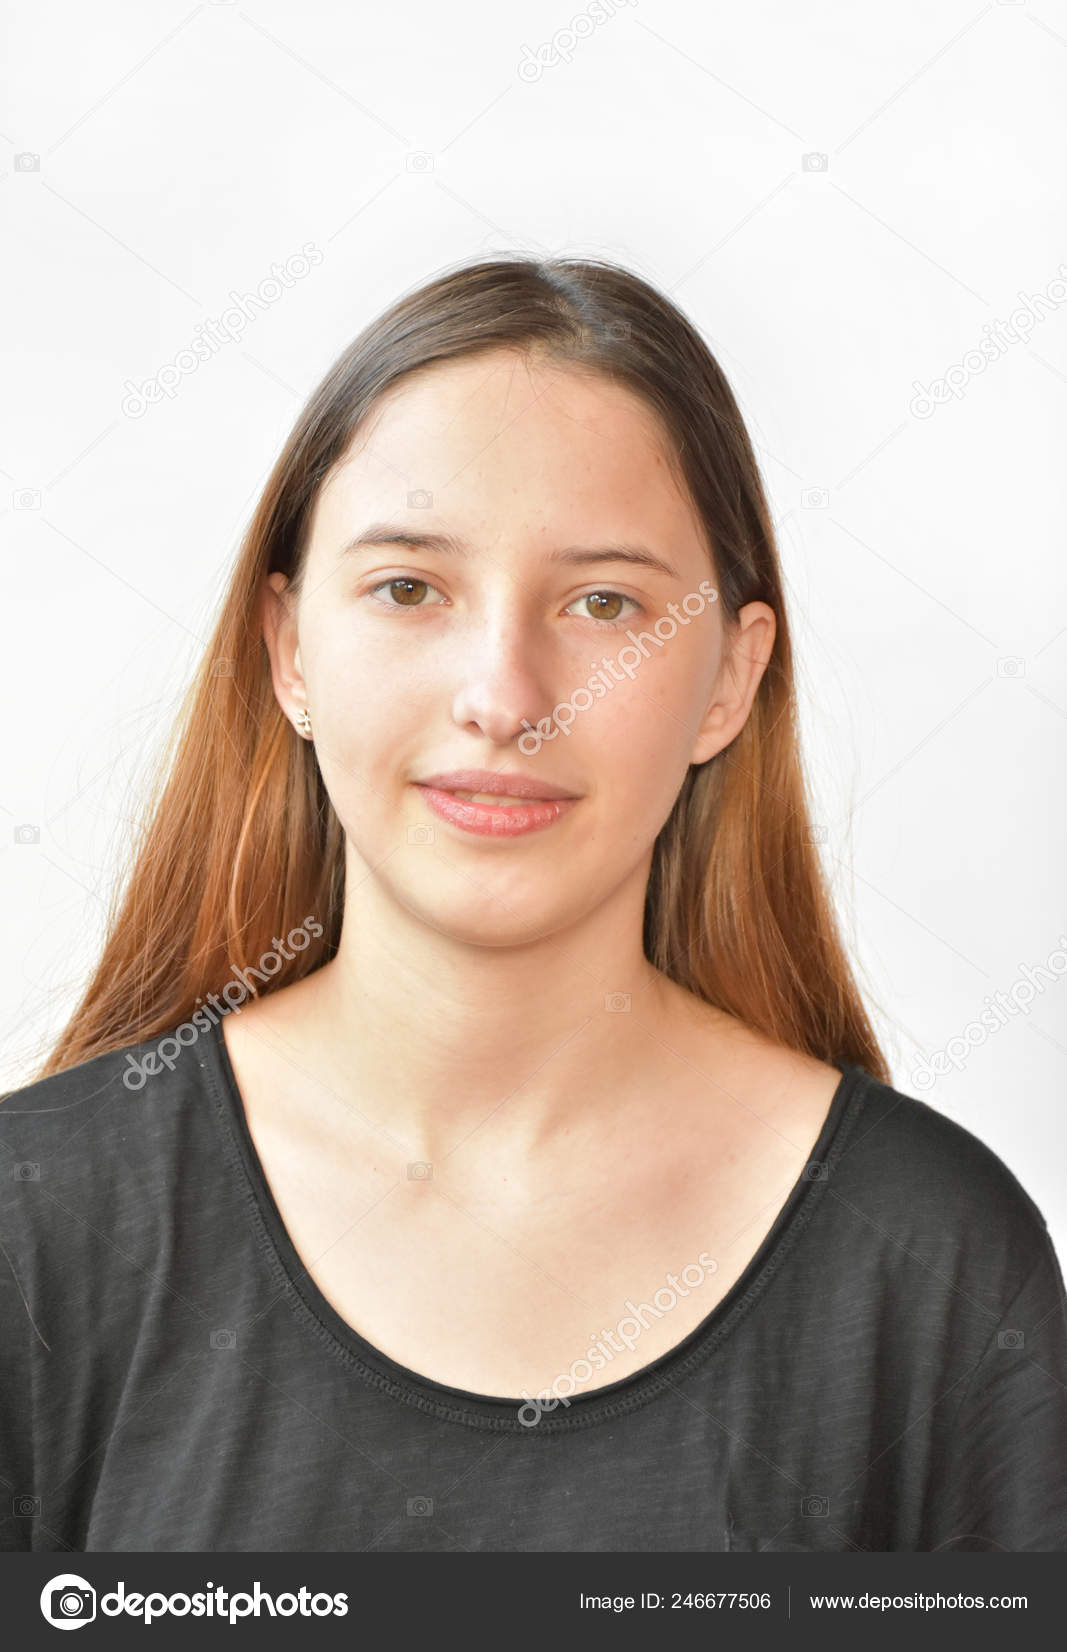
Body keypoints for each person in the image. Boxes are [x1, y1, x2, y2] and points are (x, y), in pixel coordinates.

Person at [2, 257, 1064, 1554]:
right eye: (409, 588)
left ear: (729, 680)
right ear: (290, 652)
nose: (505, 697)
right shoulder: (35, 1228)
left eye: (603, 603)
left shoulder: (932, 1265)